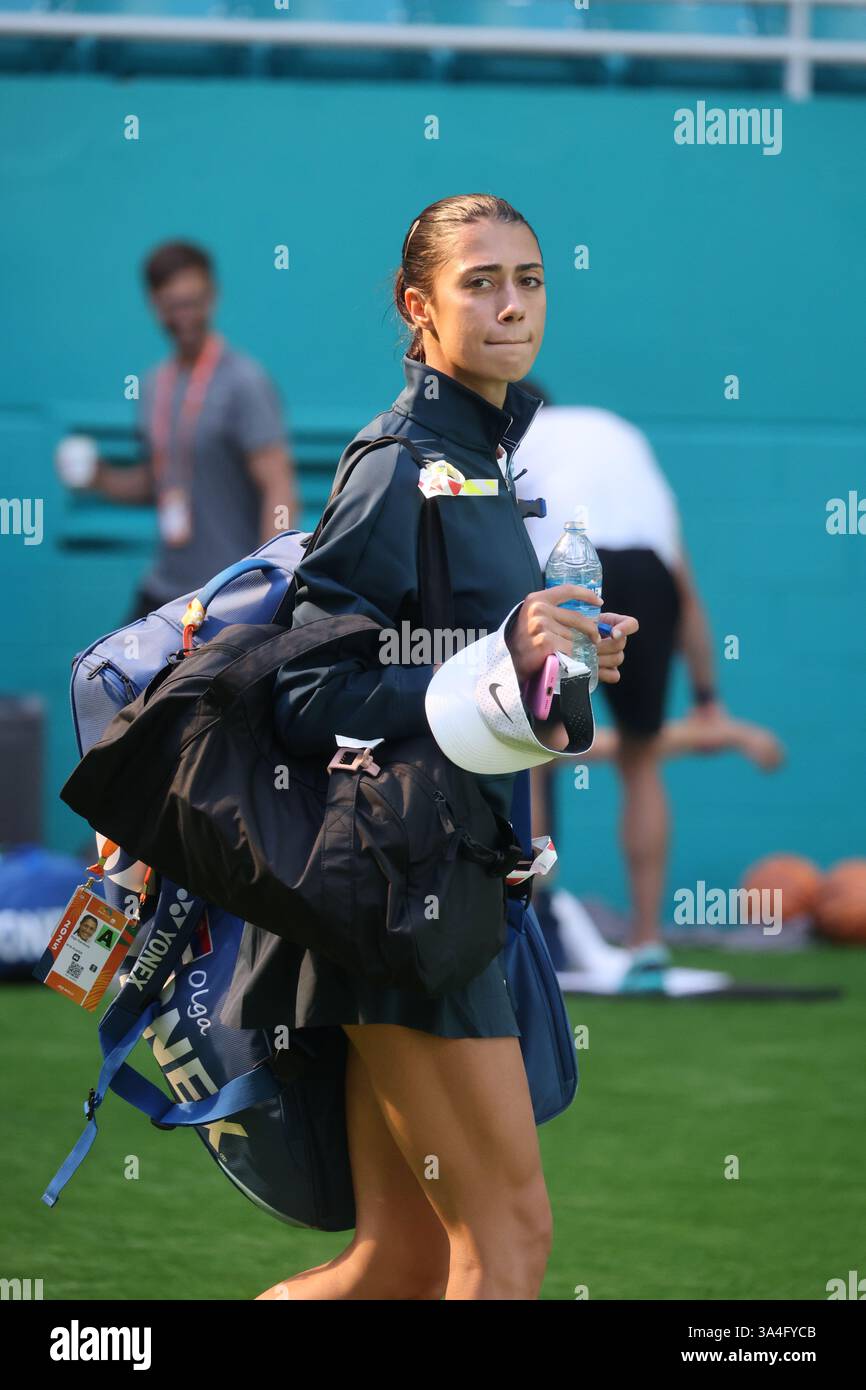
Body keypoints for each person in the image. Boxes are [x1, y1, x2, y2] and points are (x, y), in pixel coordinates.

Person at [246, 194, 639, 1302]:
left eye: (527, 278)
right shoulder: (396, 463)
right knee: (506, 1244)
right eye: (479, 282)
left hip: (445, 889)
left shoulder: (483, 458)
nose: (510, 303)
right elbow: (305, 692)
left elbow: (480, 680)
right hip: (395, 899)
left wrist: (554, 668)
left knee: (399, 1261)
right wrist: (487, 670)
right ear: (420, 309)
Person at [514, 384, 782, 992]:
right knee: (641, 758)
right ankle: (646, 942)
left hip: (565, 568)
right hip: (646, 571)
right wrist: (709, 700)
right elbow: (683, 583)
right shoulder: (617, 431)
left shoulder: (512, 439)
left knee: (534, 749)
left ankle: (525, 922)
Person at [54, 240, 299, 621]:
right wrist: (99, 478)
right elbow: (158, 482)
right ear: (155, 305)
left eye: (194, 301)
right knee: (108, 675)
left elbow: (277, 483)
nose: (185, 314)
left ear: (212, 297)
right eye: (173, 305)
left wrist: (268, 584)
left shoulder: (244, 382)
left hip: (223, 594)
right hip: (164, 590)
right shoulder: (153, 386)